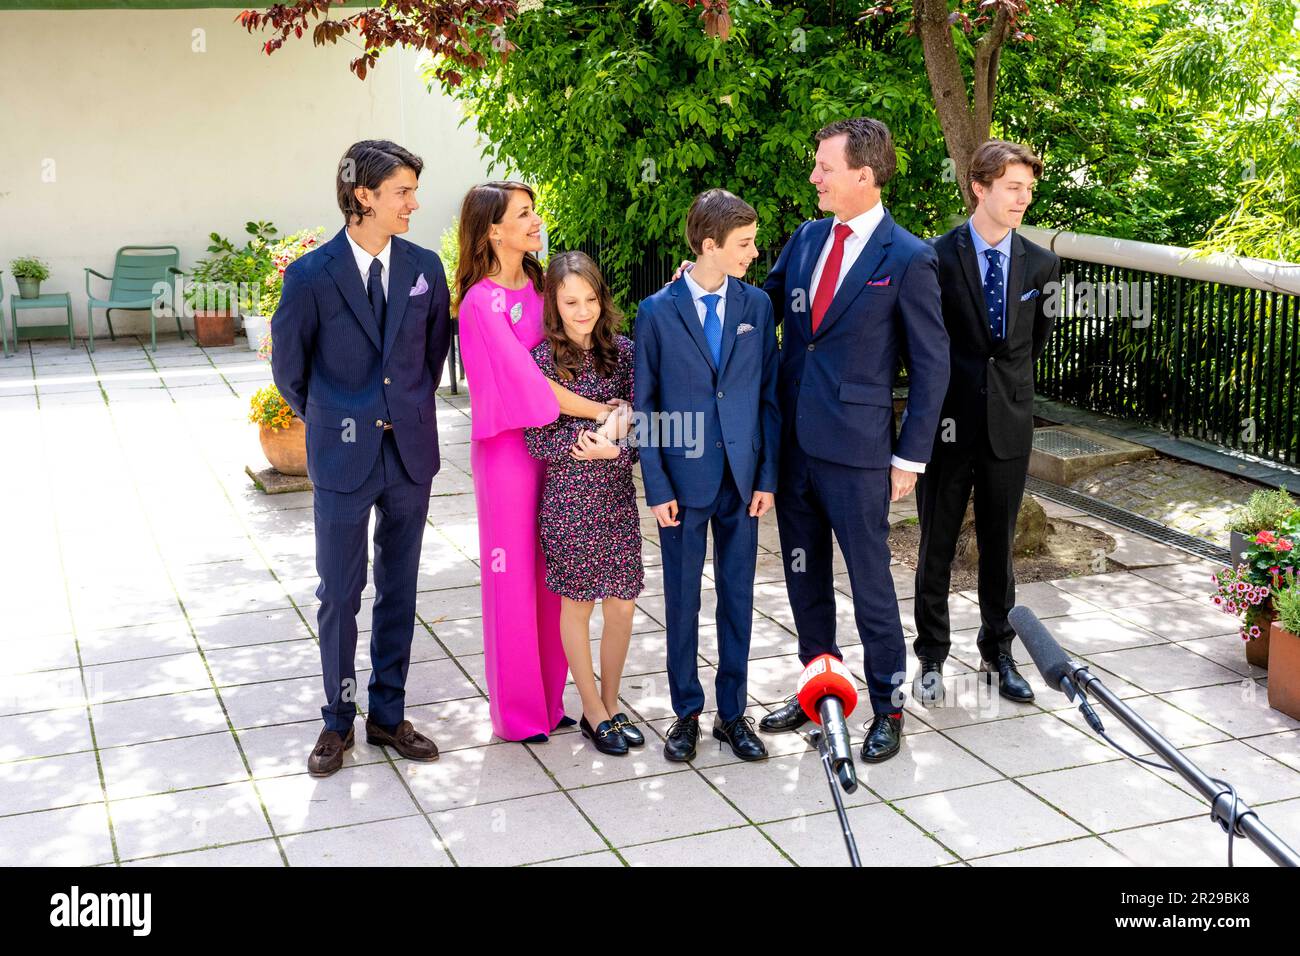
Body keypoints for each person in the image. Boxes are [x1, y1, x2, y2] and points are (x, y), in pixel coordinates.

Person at [756, 118, 950, 763]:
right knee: (803, 577)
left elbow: (931, 365)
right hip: (794, 447)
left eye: (825, 168)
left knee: (870, 583)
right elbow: (764, 310)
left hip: (861, 452)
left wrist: (910, 456)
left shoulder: (910, 256)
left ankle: (888, 707)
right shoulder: (807, 238)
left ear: (863, 177)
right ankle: (821, 687)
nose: (814, 177)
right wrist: (701, 284)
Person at [271, 140, 450, 776]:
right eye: (402, 191)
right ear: (362, 196)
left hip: (409, 454)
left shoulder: (426, 266)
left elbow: (431, 360)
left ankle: (388, 715)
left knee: (398, 587)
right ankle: (335, 722)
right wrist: (338, 419)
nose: (413, 202)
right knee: (340, 593)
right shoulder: (311, 276)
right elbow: (290, 372)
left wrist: (401, 414)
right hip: (342, 458)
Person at [455, 181, 629, 743]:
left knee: (556, 584)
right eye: (523, 214)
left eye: (534, 212)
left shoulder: (540, 283)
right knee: (512, 579)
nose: (536, 222)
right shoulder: (482, 300)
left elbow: (578, 338)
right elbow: (537, 385)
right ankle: (520, 713)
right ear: (493, 229)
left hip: (561, 456)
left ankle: (557, 701)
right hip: (509, 452)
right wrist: (608, 410)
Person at [635, 188, 781, 763]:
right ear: (708, 245)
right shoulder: (656, 312)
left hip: (743, 483)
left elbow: (767, 396)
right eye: (744, 244)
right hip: (682, 483)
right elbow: (645, 406)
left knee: (738, 598)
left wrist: (766, 475)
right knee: (681, 600)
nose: (753, 251)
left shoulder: (757, 307)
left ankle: (733, 713)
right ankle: (686, 713)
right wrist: (658, 485)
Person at [912, 140, 1060, 705]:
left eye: (1028, 188)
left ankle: (999, 649)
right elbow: (921, 345)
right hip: (945, 426)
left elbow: (1029, 346)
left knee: (1000, 546)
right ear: (980, 187)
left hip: (1008, 425)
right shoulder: (934, 257)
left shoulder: (1042, 264)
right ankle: (931, 655)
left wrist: (1009, 398)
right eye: (1012, 187)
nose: (1023, 198)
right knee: (937, 545)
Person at [524, 251, 643, 756]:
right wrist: (585, 443)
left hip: (615, 498)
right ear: (553, 301)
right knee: (579, 605)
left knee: (622, 605)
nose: (582, 310)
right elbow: (534, 437)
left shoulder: (626, 353)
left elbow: (647, 423)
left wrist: (617, 447)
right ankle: (592, 710)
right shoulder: (540, 362)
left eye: (590, 299)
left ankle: (613, 704)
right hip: (569, 502)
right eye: (571, 301)